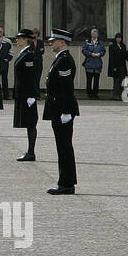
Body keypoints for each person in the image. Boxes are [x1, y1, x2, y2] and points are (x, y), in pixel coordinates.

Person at [42, 29, 80, 195]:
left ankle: (66, 183)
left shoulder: (64, 61)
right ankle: (65, 181)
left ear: (62, 42)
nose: (51, 43)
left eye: (54, 41)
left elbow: (66, 88)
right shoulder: (60, 59)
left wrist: (65, 111)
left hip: (62, 110)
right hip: (58, 109)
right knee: (62, 146)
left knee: (64, 147)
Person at [11, 29, 42, 161]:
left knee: (30, 123)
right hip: (22, 93)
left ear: (26, 40)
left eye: (20, 38)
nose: (17, 40)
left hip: (27, 94)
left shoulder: (29, 54)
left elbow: (32, 76)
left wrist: (31, 95)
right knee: (28, 123)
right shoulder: (24, 53)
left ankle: (31, 152)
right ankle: (30, 151)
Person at [81, 28, 106, 98]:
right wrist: (90, 53)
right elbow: (83, 50)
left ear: (97, 35)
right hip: (89, 64)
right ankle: (89, 93)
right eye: (93, 33)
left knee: (96, 80)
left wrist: (99, 54)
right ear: (91, 34)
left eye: (95, 33)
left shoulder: (100, 43)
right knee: (89, 80)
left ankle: (95, 94)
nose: (94, 35)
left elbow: (103, 51)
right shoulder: (87, 42)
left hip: (97, 64)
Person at [108, 33, 128, 100]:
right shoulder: (112, 46)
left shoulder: (123, 46)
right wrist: (113, 66)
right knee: (116, 81)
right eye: (117, 38)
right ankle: (116, 95)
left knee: (122, 80)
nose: (118, 39)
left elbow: (125, 55)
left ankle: (121, 95)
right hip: (115, 66)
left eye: (120, 38)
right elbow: (111, 57)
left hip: (122, 65)